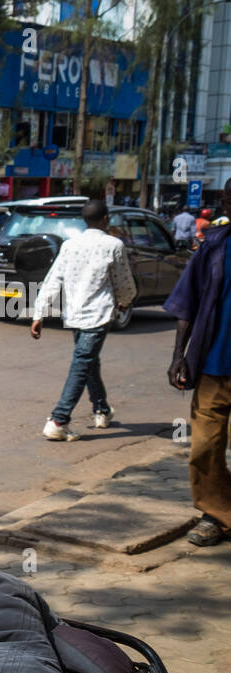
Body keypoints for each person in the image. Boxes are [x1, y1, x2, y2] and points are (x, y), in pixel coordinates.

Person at [31, 199, 136, 441]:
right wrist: (126, 300)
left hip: (75, 313)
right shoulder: (114, 245)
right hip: (97, 315)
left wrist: (39, 313)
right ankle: (59, 420)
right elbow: (124, 282)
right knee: (83, 365)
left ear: (84, 220)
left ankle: (101, 410)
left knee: (87, 361)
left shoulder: (70, 245)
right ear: (106, 219)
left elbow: (52, 279)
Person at [163, 177, 231, 546]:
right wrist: (179, 356)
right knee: (205, 448)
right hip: (212, 366)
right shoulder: (214, 247)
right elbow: (186, 302)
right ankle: (217, 515)